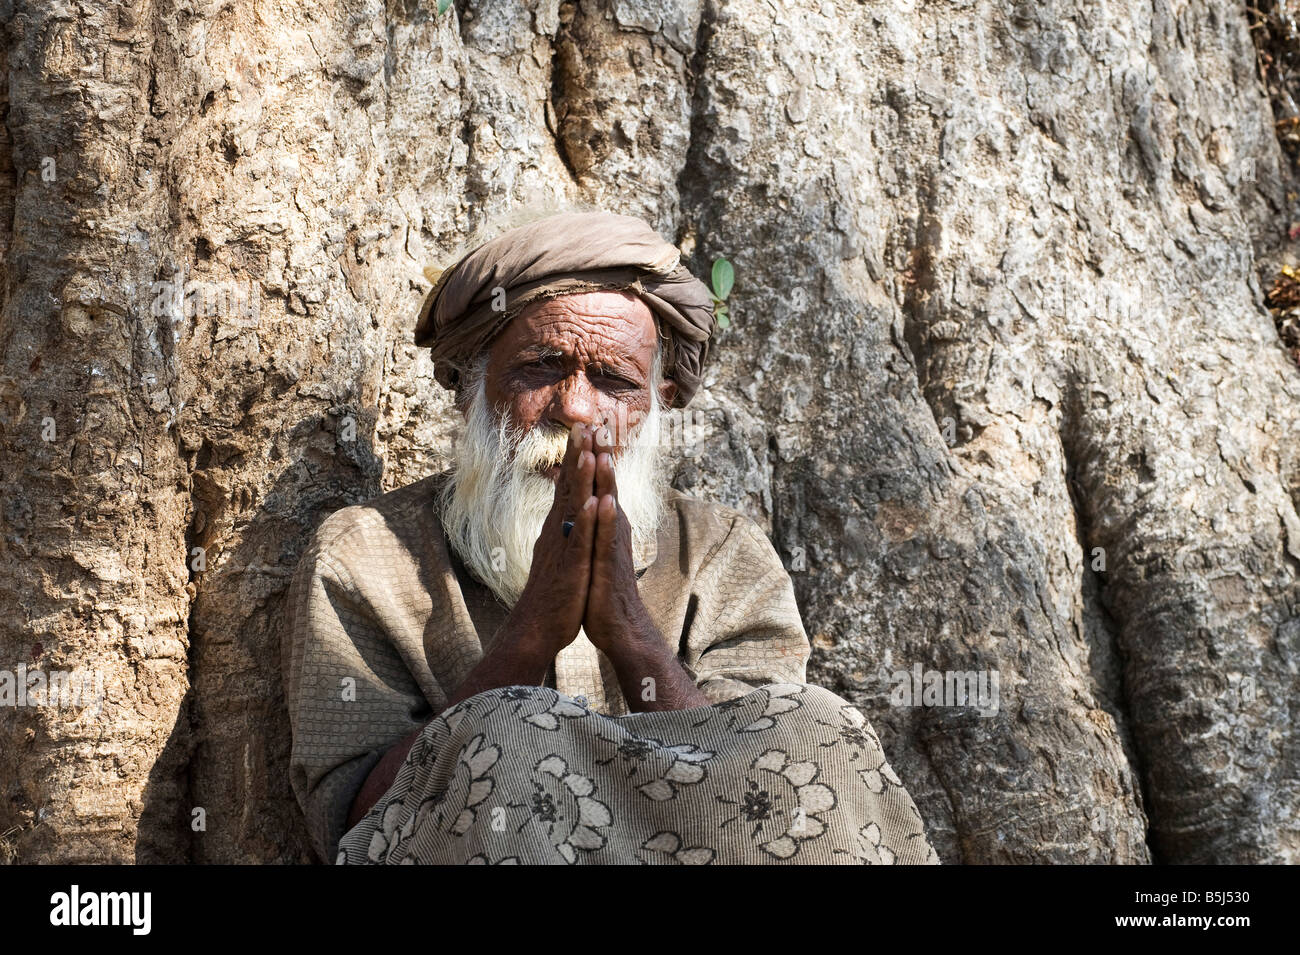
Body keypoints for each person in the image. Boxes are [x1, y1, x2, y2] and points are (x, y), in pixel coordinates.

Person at [281, 210, 936, 864]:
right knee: (504, 726)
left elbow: (772, 791)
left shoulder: (721, 553)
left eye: (613, 380)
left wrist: (629, 628)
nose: (575, 409)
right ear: (471, 385)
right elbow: (351, 822)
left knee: (820, 726)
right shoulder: (364, 554)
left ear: (657, 399)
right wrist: (533, 631)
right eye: (541, 366)